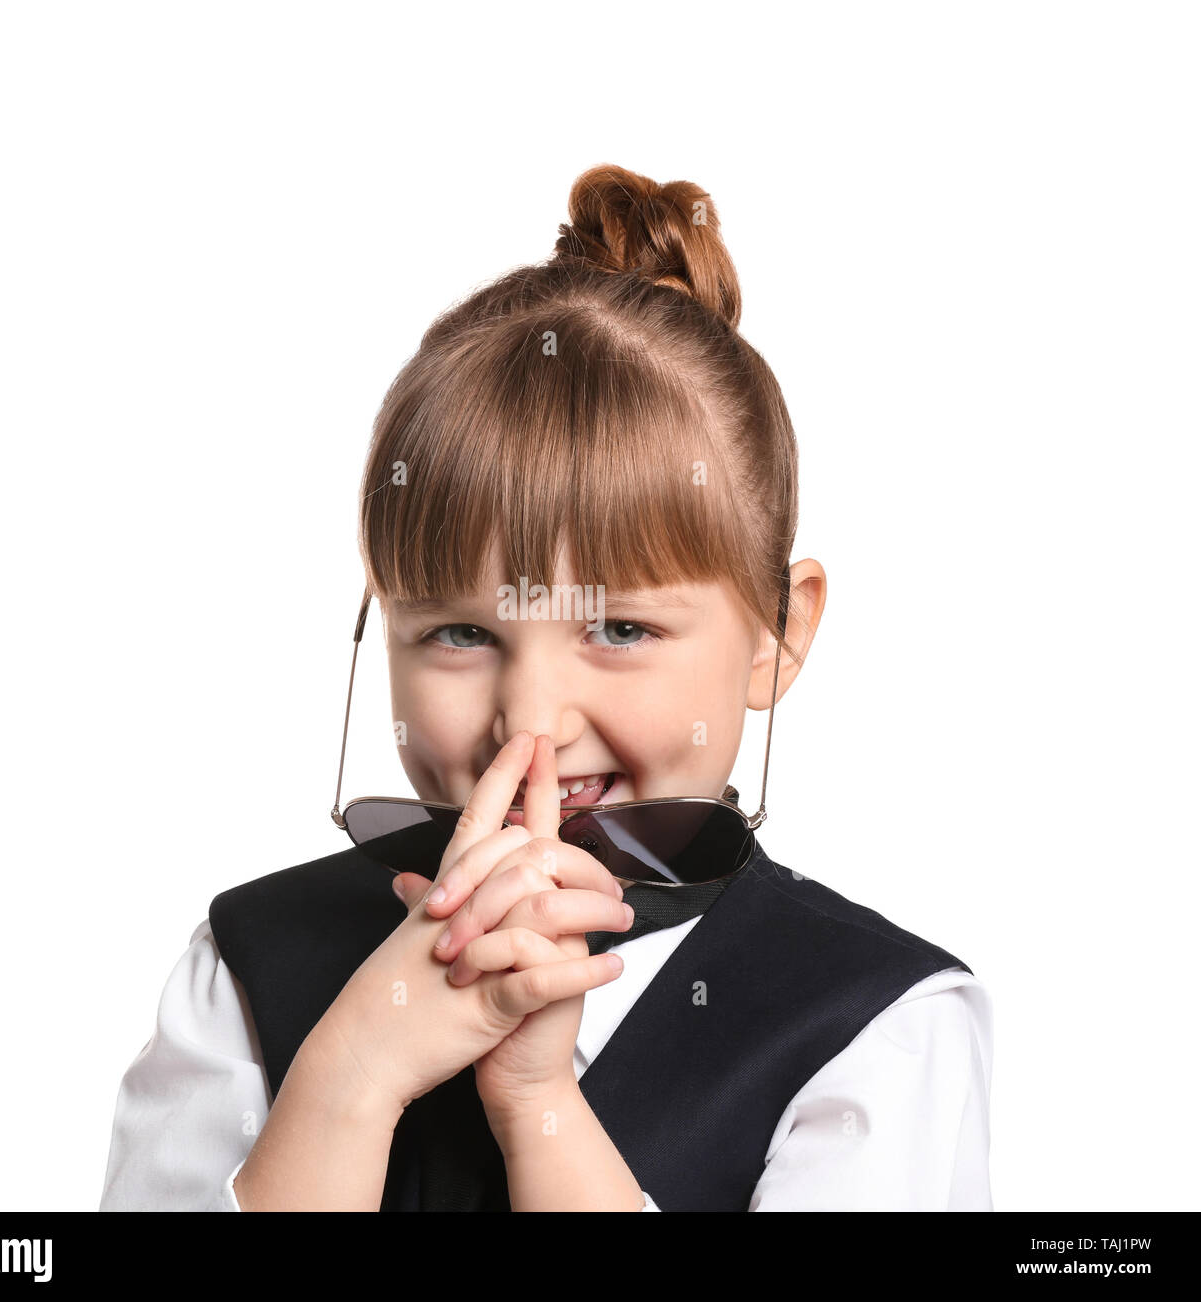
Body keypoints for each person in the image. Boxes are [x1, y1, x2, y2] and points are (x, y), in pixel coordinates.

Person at [100, 164, 992, 1212]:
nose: (529, 720)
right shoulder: (248, 972)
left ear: (776, 636)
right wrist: (350, 1080)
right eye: (461, 632)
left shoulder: (876, 1026)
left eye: (619, 628)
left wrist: (539, 1111)